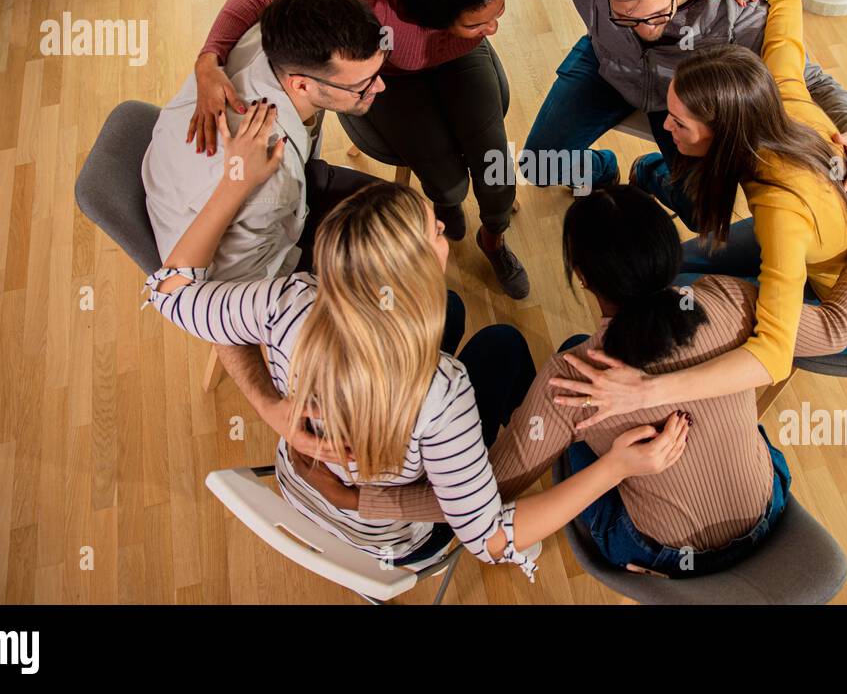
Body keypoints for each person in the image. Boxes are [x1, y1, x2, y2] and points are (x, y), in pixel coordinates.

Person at [144, 116, 689, 575]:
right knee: (502, 345)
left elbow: (171, 292)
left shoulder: (289, 299)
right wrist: (616, 467)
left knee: (452, 311)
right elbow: (492, 542)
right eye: (435, 231)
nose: (444, 235)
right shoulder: (442, 393)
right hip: (395, 539)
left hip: (300, 481)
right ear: (412, 272)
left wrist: (233, 182)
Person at [307, 184, 847, 578]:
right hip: (768, 514)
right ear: (668, 250)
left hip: (656, 550)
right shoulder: (728, 300)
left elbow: (491, 493)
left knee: (572, 438)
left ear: (581, 277)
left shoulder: (572, 380)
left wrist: (361, 497)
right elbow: (837, 328)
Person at [185, 0, 753, 299]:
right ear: (437, 14)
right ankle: (450, 219)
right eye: (481, 20)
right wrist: (208, 59)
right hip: (396, 77)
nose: (497, 25)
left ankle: (494, 236)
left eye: (499, 9)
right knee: (445, 180)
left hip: (456, 63)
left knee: (496, 168)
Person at [545, 0, 847, 424]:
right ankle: (652, 182)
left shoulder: (781, 209)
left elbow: (772, 355)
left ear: (722, 135)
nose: (666, 128)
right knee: (669, 275)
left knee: (679, 307)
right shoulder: (780, 91)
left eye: (678, 123)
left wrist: (646, 391)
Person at [143, 0, 389, 461]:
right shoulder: (265, 189)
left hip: (251, 201)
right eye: (363, 84)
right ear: (300, 83)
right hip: (244, 254)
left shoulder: (271, 29)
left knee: (396, 216)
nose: (379, 86)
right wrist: (269, 403)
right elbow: (223, 303)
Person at [522, 0, 847, 229]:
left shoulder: (741, 16)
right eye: (623, 18)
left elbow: (808, 80)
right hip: (605, 68)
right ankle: (602, 169)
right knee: (538, 168)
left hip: (678, 103)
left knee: (701, 214)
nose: (641, 29)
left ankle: (649, 172)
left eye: (656, 15)